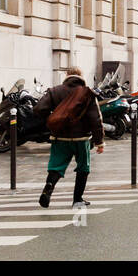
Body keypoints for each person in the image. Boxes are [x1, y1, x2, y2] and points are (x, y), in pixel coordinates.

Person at [34, 66, 104, 208]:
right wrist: (99, 142)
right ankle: (77, 199)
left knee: (56, 166)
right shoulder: (87, 93)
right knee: (83, 168)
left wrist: (52, 118)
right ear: (80, 76)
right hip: (81, 138)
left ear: (67, 75)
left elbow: (39, 109)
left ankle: (49, 187)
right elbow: (95, 118)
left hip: (60, 137)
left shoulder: (55, 91)